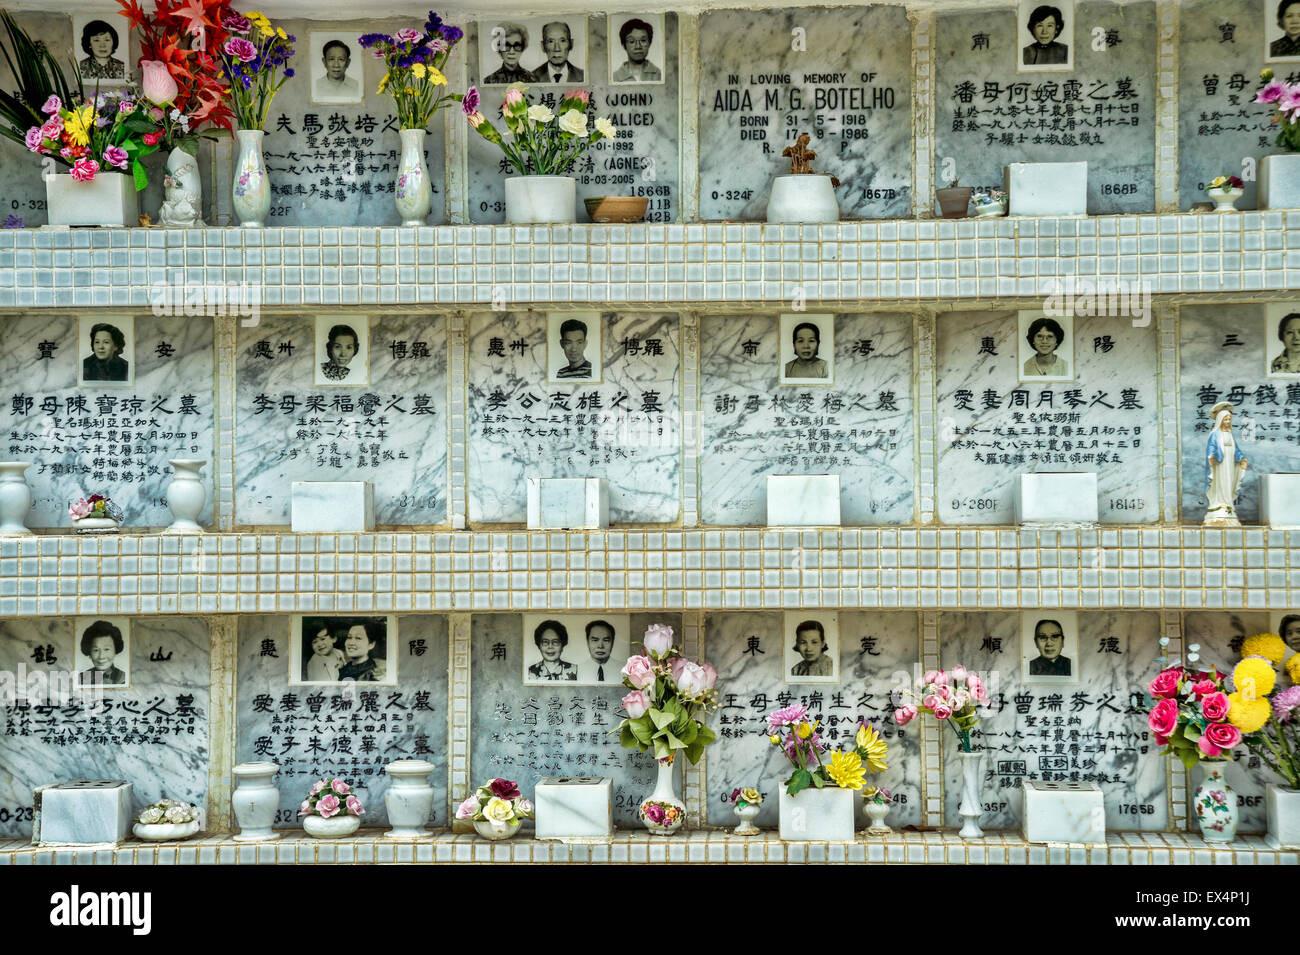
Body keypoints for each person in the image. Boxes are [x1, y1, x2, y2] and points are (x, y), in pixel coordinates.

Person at [1205, 401, 1247, 524]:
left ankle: (1228, 504)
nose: (1228, 422)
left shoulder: (1230, 434)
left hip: (1230, 464)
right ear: (1220, 420)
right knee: (1220, 482)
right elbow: (1211, 448)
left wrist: (1242, 458)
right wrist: (1212, 457)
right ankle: (1219, 505)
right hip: (1219, 465)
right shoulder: (1215, 434)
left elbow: (1236, 450)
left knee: (1228, 482)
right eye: (1226, 419)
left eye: (1229, 419)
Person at [78, 619, 126, 686]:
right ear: (89, 652)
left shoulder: (124, 679)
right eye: (96, 650)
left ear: (116, 650)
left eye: (106, 649)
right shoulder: (80, 679)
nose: (101, 656)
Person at [612, 18, 661, 83]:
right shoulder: (615, 78)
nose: (638, 46)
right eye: (632, 41)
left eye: (643, 40)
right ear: (624, 45)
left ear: (649, 43)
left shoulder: (659, 74)